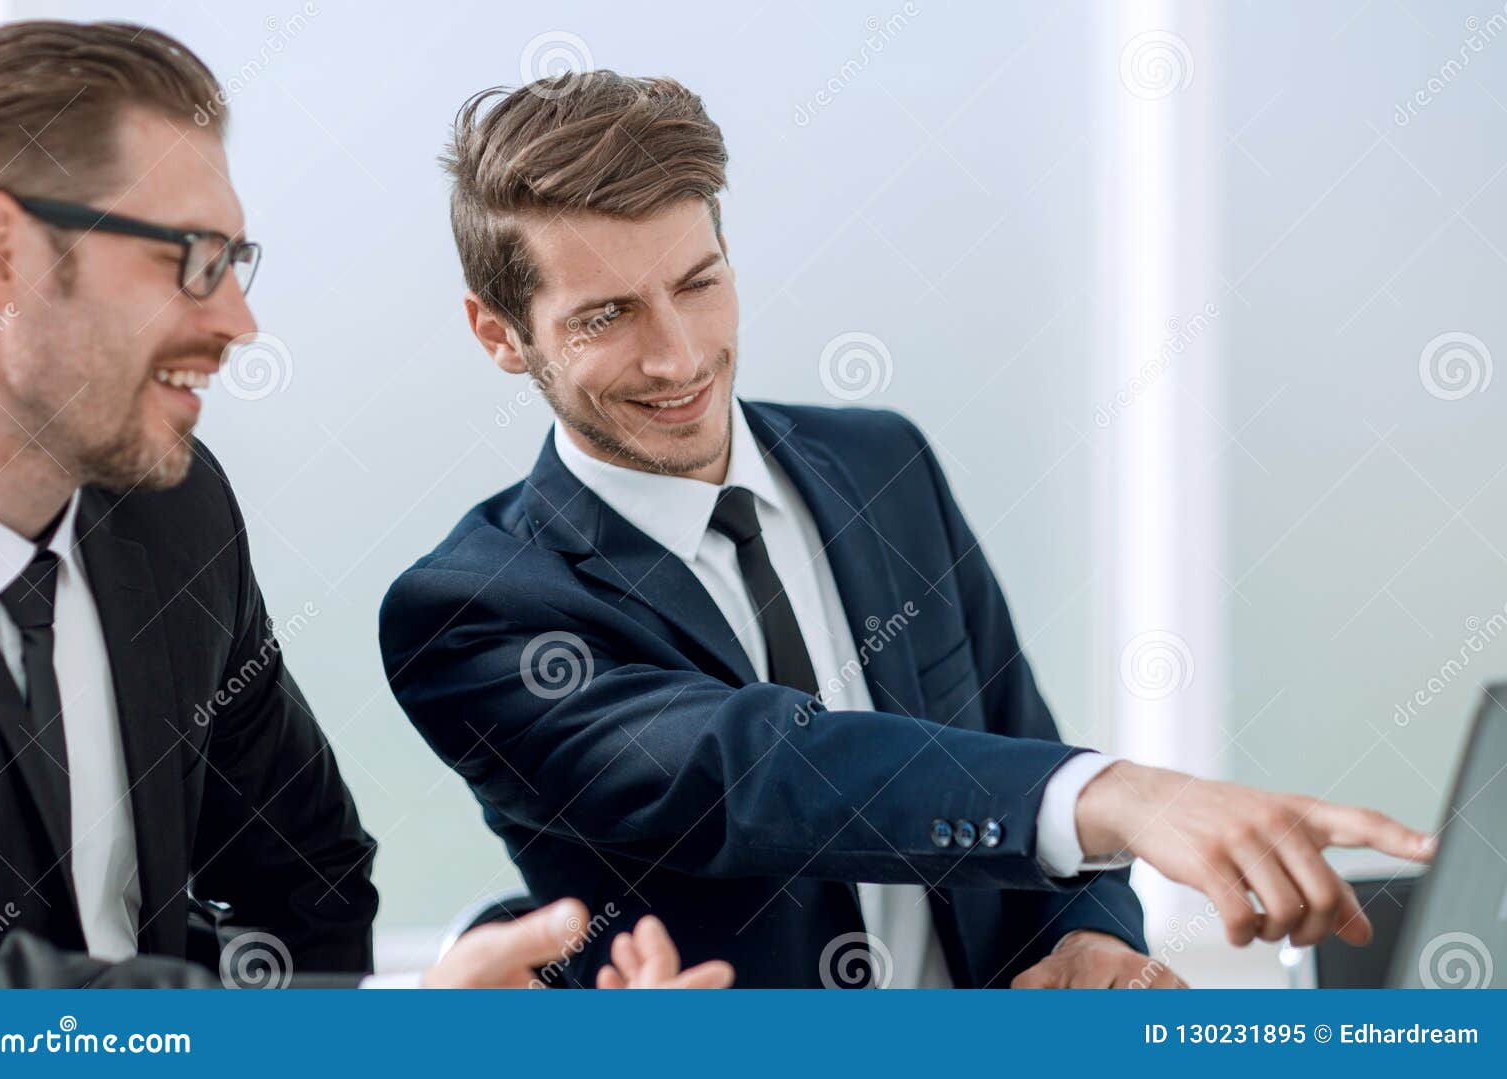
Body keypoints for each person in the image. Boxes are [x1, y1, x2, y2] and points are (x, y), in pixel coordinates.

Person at [379, 70, 1436, 988]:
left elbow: (1018, 752)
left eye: (699, 284)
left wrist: (1090, 936)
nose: (678, 356)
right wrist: (1119, 793)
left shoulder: (883, 465)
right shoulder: (472, 613)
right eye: (606, 315)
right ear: (498, 332)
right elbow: (759, 769)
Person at [0, 21, 729, 991]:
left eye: (233, 262)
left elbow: (310, 883)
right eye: (192, 259)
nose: (237, 321)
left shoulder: (173, 515)